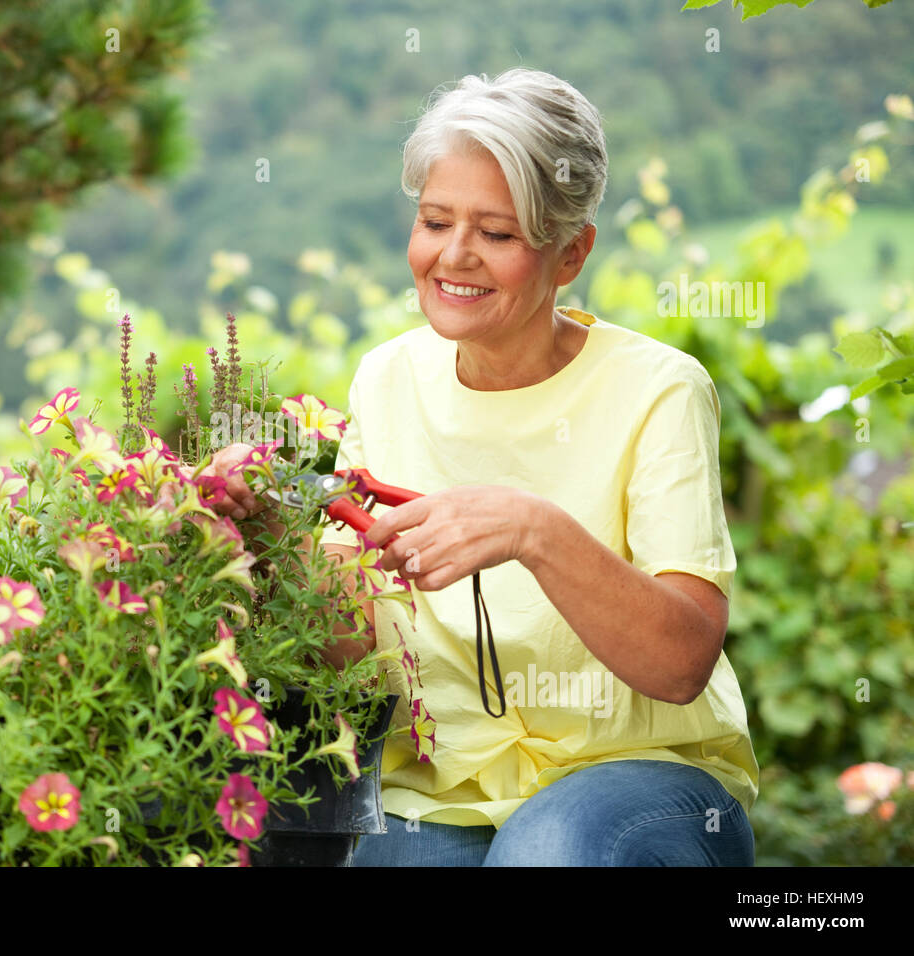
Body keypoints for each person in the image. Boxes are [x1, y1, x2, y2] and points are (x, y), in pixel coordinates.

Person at [205, 68, 757, 866]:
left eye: (496, 234)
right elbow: (354, 649)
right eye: (435, 221)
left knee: (549, 853)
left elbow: (679, 664)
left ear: (569, 254)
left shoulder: (659, 390)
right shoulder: (388, 379)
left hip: (644, 782)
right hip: (442, 786)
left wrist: (535, 531)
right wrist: (268, 534)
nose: (452, 256)